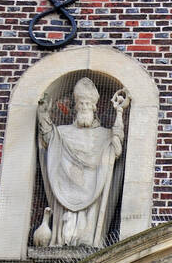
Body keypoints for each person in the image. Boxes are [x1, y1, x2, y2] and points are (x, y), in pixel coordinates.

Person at [36, 76, 129, 249]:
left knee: (88, 223)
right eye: (81, 105)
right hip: (66, 189)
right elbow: (49, 139)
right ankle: (63, 239)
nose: (84, 107)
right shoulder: (62, 133)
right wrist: (43, 114)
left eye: (88, 105)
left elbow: (116, 149)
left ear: (94, 108)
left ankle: (89, 238)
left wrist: (119, 115)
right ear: (76, 107)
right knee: (67, 221)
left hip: (93, 188)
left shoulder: (104, 134)